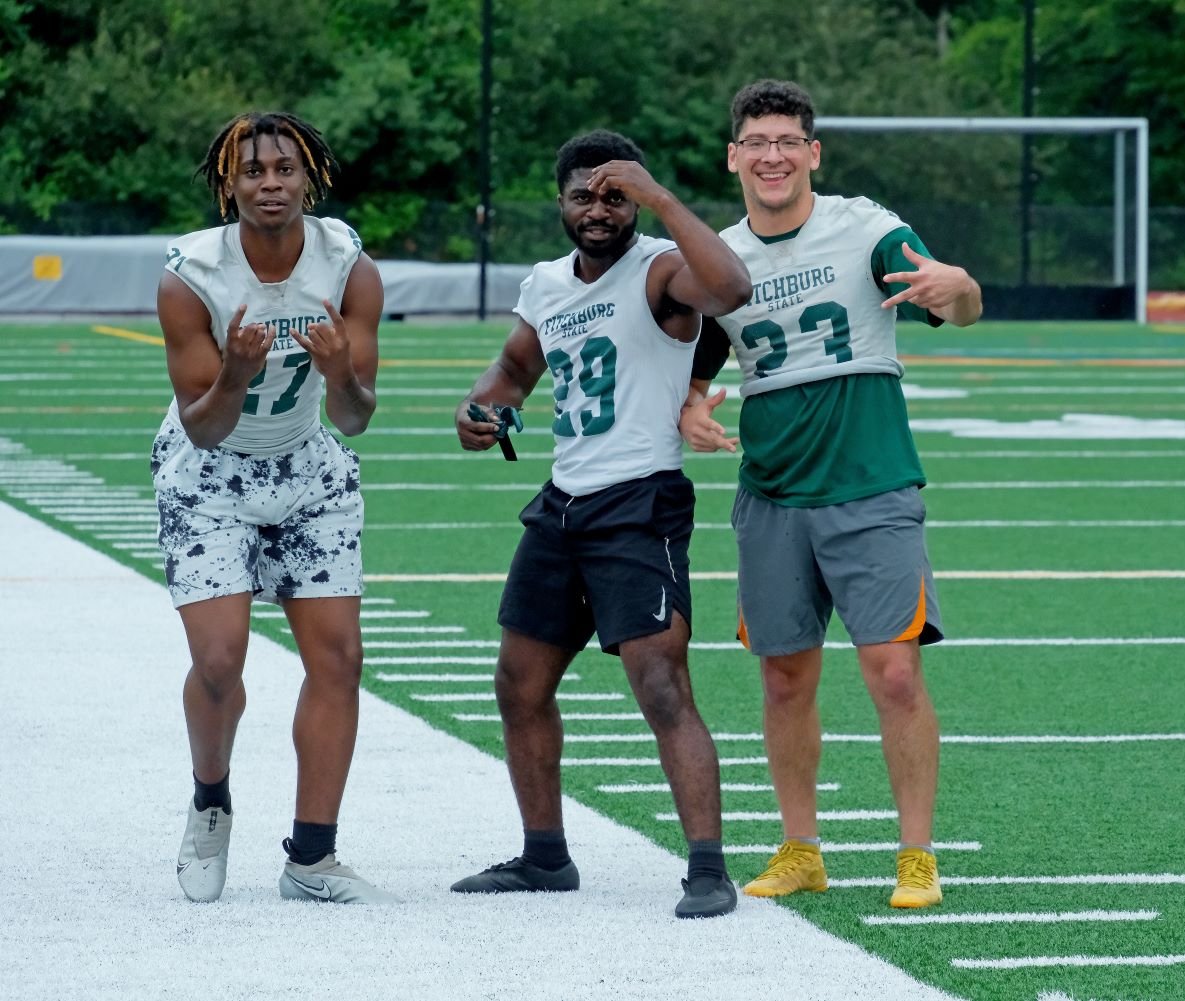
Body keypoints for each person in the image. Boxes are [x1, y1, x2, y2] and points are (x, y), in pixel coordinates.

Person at [682, 80, 983, 909]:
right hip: (771, 490)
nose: (771, 155)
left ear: (812, 153)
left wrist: (957, 289)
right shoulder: (718, 256)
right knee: (784, 677)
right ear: (733, 156)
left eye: (788, 140)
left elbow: (956, 304)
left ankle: (916, 855)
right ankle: (799, 846)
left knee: (892, 672)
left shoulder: (866, 228)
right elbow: (694, 371)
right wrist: (690, 409)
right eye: (756, 141)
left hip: (869, 480)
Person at [452, 129, 752, 919]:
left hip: (637, 500)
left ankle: (707, 866)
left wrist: (656, 195)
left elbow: (729, 288)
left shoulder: (658, 268)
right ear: (560, 201)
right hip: (563, 504)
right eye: (582, 195)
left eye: (612, 195)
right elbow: (515, 368)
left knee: (660, 682)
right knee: (518, 684)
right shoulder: (547, 283)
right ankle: (544, 856)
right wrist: (480, 408)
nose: (597, 209)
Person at [152, 111, 396, 905]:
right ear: (230, 183)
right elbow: (204, 424)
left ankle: (312, 857)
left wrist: (337, 376)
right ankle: (210, 798)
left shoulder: (347, 264)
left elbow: (357, 415)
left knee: (340, 660)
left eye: (285, 168)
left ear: (308, 176)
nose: (270, 183)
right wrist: (235, 373)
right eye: (253, 171)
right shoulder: (191, 274)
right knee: (220, 662)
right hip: (211, 471)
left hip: (308, 469)